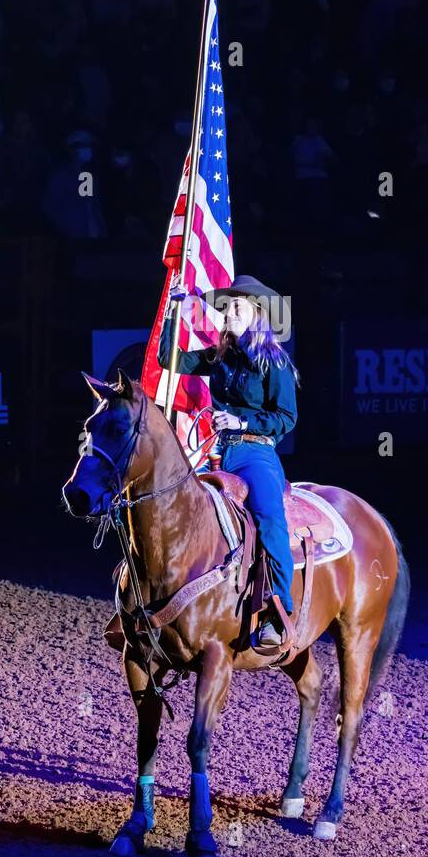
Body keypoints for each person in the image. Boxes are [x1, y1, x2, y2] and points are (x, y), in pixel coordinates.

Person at [158, 274, 298, 648]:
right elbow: (167, 359)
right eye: (226, 307)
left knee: (269, 517)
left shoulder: (274, 361)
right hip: (217, 451)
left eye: (236, 307)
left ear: (256, 313)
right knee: (176, 506)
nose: (227, 313)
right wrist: (174, 312)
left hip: (255, 452)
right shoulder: (218, 357)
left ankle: (279, 611)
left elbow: (287, 417)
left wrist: (241, 420)